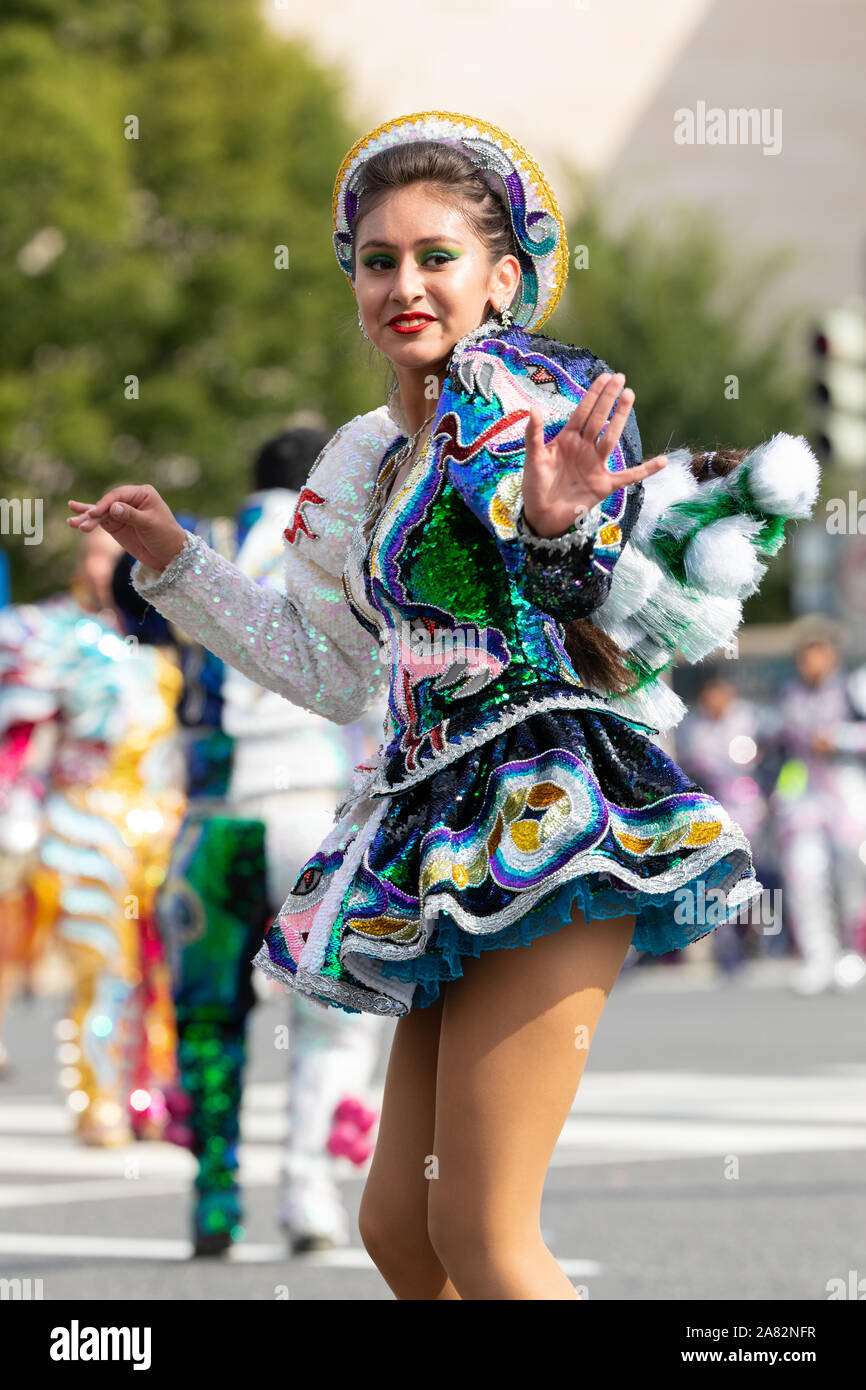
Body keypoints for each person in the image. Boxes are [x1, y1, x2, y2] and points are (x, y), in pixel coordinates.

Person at [68, 111, 819, 1299]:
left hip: (552, 808)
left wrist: (562, 523)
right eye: (377, 260)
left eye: (435, 257)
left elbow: (593, 589)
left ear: (501, 278)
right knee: (403, 1235)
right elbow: (330, 669)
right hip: (431, 818)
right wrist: (178, 566)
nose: (403, 284)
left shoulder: (510, 391)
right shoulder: (363, 460)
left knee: (480, 1232)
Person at [128, 429, 388, 1257]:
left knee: (208, 1022)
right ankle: (308, 1190)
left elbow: (130, 614)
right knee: (335, 1016)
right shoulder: (347, 537)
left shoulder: (203, 538)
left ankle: (213, 1203)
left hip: (209, 820)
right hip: (313, 812)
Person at [0, 527, 184, 1142]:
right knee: (99, 965)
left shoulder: (165, 636)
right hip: (84, 822)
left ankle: (149, 1092)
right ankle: (97, 1098)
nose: (106, 567)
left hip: (160, 824)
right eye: (97, 556)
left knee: (159, 969)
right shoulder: (53, 635)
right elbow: (16, 737)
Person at [765, 620, 866, 995]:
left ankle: (853, 952)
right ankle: (818, 955)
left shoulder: (853, 690)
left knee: (852, 872)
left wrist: (839, 739)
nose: (812, 663)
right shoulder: (788, 695)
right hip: (804, 795)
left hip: (847, 791)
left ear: (832, 656)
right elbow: (776, 744)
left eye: (819, 654)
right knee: (804, 873)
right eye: (805, 656)